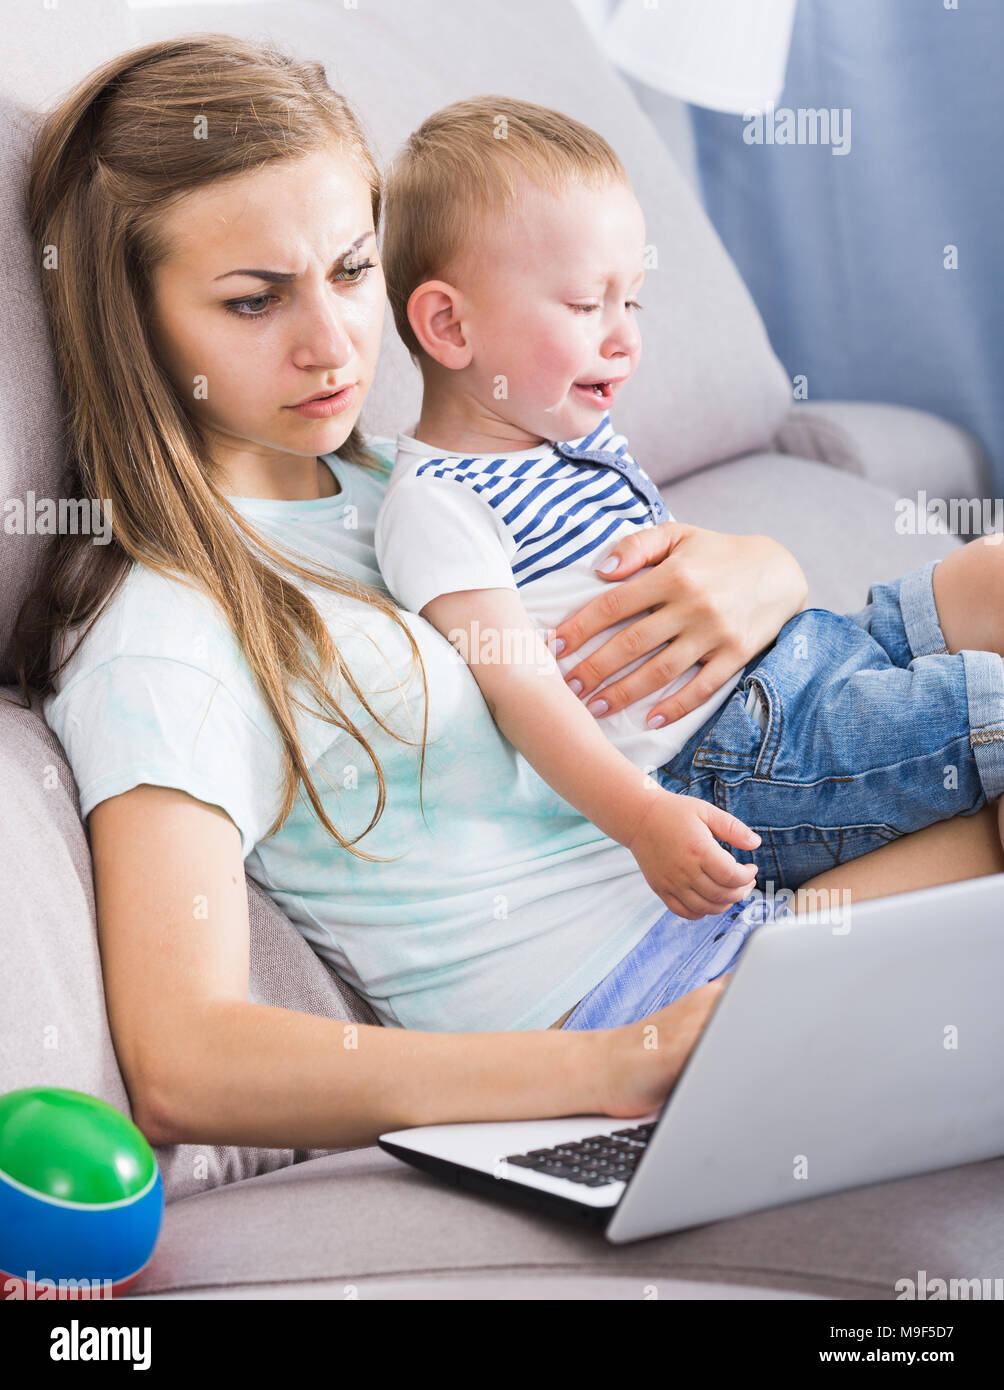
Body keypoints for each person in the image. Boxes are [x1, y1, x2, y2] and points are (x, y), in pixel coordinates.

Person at [9, 35, 1003, 1154]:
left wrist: (757, 570)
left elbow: (657, 594)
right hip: (645, 1002)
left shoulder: (402, 476)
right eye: (252, 302)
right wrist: (611, 1064)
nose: (335, 343)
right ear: (131, 322)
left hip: (759, 899)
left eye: (347, 270)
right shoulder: (167, 632)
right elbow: (185, 1060)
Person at [374, 96, 1004, 950]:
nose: (625, 337)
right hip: (739, 760)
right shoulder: (437, 504)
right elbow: (522, 695)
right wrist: (643, 817)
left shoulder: (566, 430)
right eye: (587, 304)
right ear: (450, 325)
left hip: (801, 655)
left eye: (631, 301)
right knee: (989, 705)